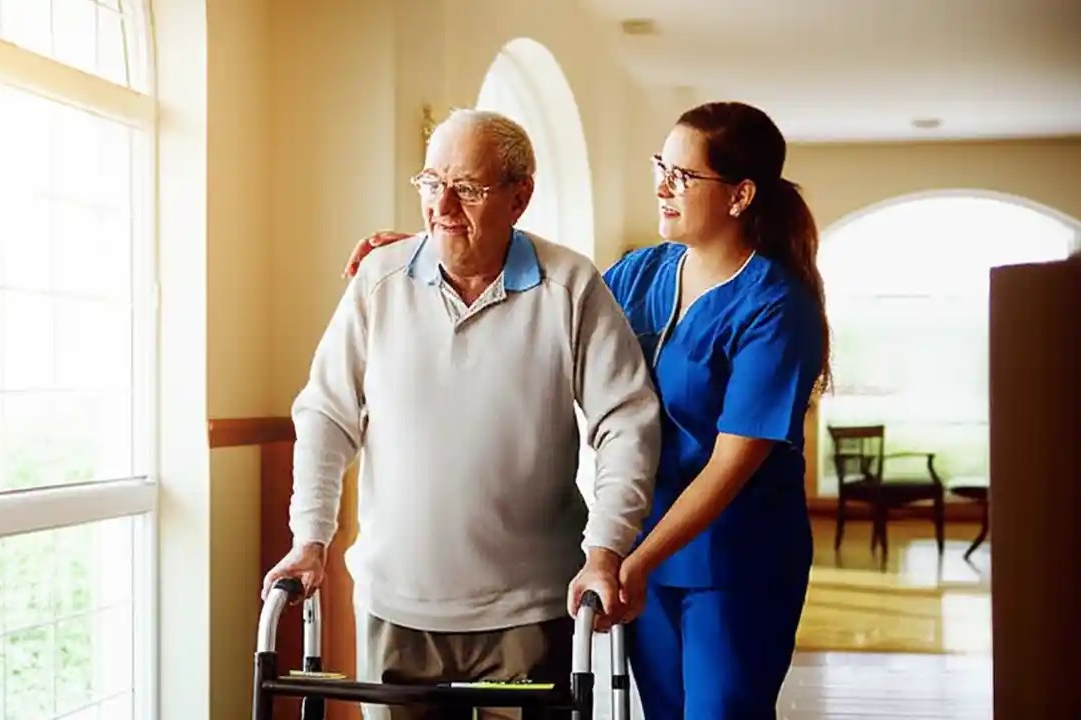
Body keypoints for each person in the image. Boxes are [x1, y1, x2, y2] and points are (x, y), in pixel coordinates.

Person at [342, 101, 829, 719]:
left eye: (684, 176)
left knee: (721, 711)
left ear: (740, 196)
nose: (662, 185)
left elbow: (733, 463)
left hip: (732, 560)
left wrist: (627, 559)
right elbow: (544, 289)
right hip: (644, 548)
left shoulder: (776, 307)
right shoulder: (642, 272)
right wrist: (434, 242)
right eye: (662, 165)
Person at [262, 108, 662, 720]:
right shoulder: (378, 280)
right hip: (397, 608)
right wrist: (308, 538)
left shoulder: (570, 286)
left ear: (519, 196)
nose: (443, 206)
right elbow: (325, 413)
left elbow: (626, 421)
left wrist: (604, 550)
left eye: (468, 189)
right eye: (430, 183)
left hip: (529, 612)